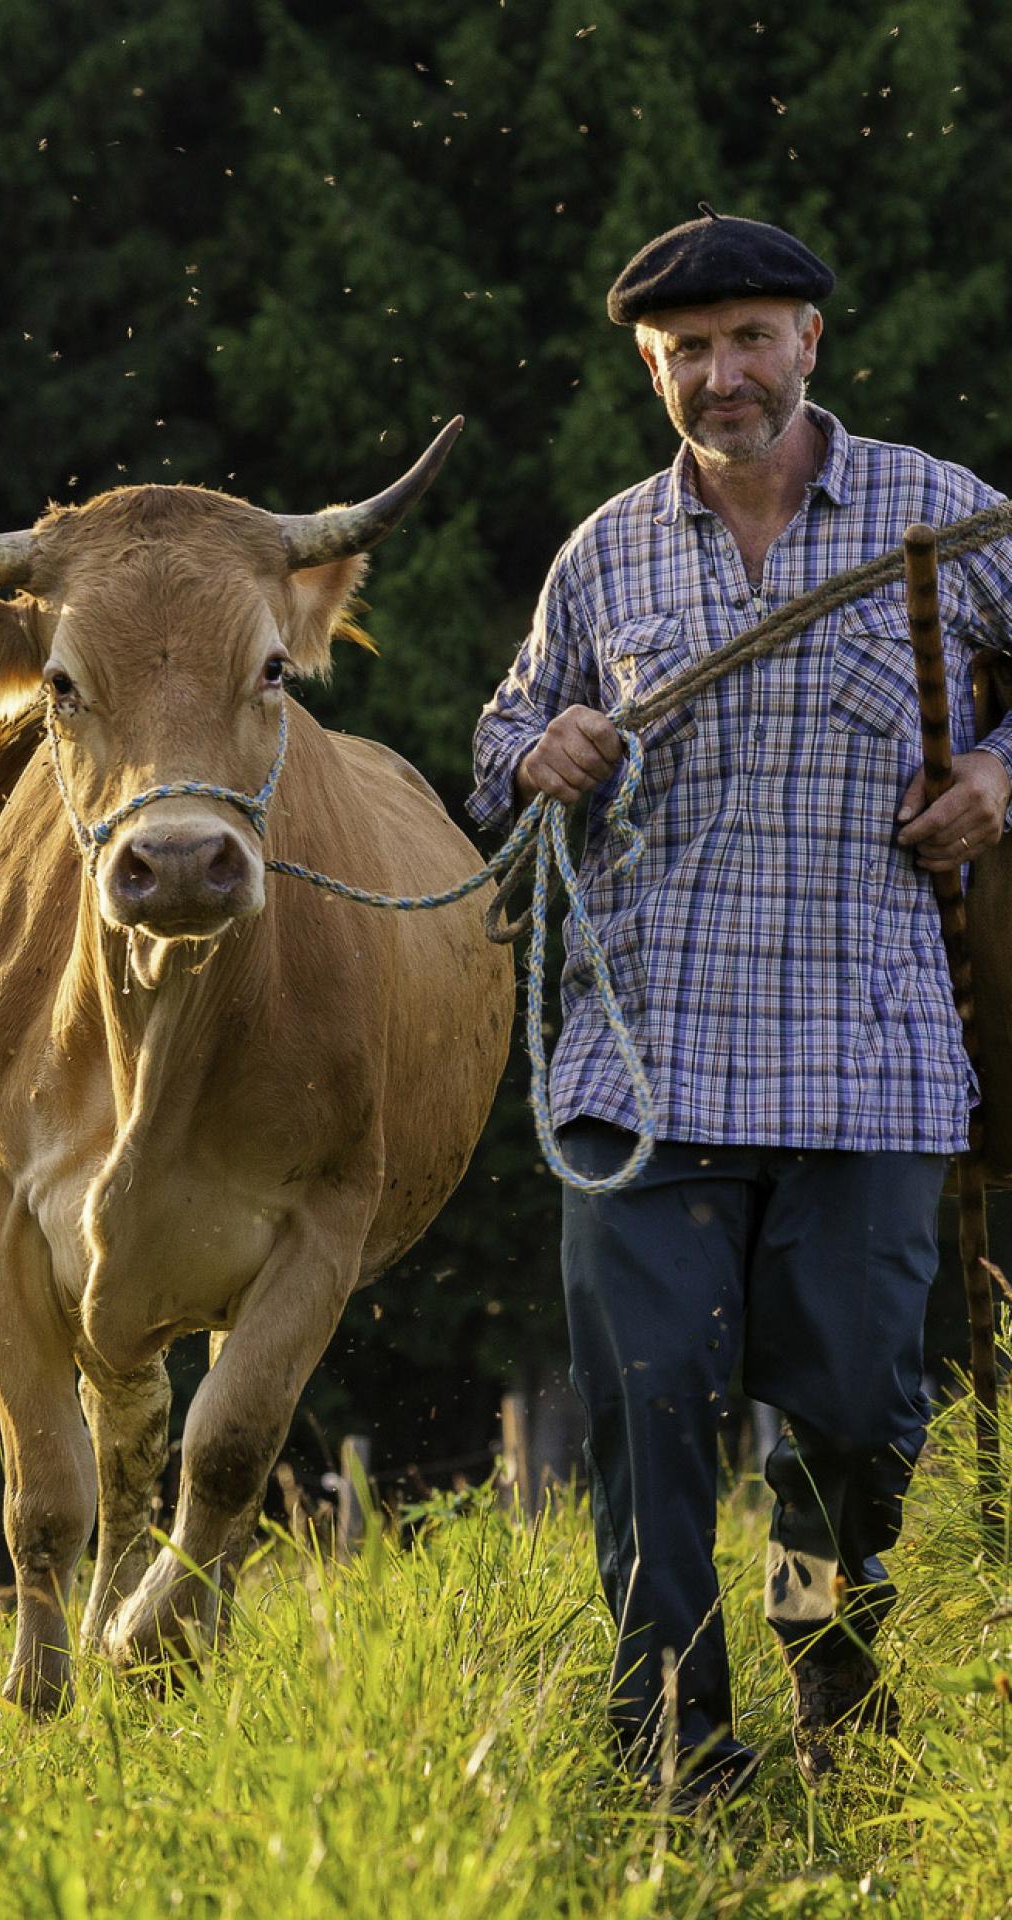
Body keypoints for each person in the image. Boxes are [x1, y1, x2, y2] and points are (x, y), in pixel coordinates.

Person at [468, 207, 1012, 1797]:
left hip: (872, 1058)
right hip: (646, 1072)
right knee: (649, 1422)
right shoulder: (604, 552)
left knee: (854, 1424)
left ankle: (821, 1647)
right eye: (687, 352)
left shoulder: (947, 516)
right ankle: (675, 1750)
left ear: (809, 343)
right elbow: (503, 741)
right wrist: (541, 751)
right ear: (655, 370)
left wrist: (998, 774)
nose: (723, 376)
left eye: (750, 340)